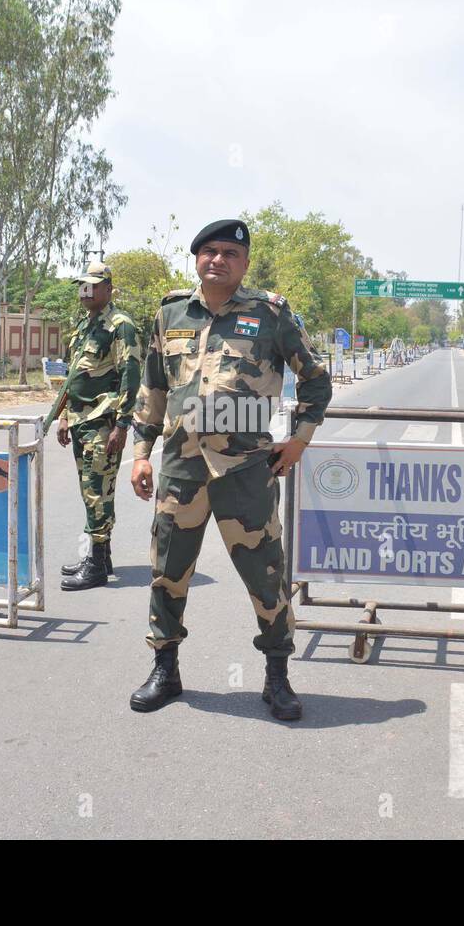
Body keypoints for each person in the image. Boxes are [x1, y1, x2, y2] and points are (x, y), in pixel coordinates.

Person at [128, 218, 331, 720]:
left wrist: (300, 440)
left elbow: (316, 381)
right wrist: (139, 452)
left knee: (266, 578)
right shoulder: (170, 312)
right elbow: (152, 388)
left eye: (229, 254)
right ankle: (165, 670)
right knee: (168, 575)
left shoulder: (271, 314)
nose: (217, 259)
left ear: (243, 264)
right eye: (209, 251)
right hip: (180, 470)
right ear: (197, 258)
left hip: (245, 471)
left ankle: (277, 678)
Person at [55, 260, 143, 591]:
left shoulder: (120, 325)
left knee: (97, 491)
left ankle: (96, 566)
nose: (86, 290)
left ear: (108, 288)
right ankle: (100, 556)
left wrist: (122, 424)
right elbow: (72, 375)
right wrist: (64, 416)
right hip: (80, 420)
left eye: (93, 285)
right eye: (82, 285)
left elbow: (130, 374)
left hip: (102, 422)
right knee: (89, 490)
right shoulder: (84, 326)